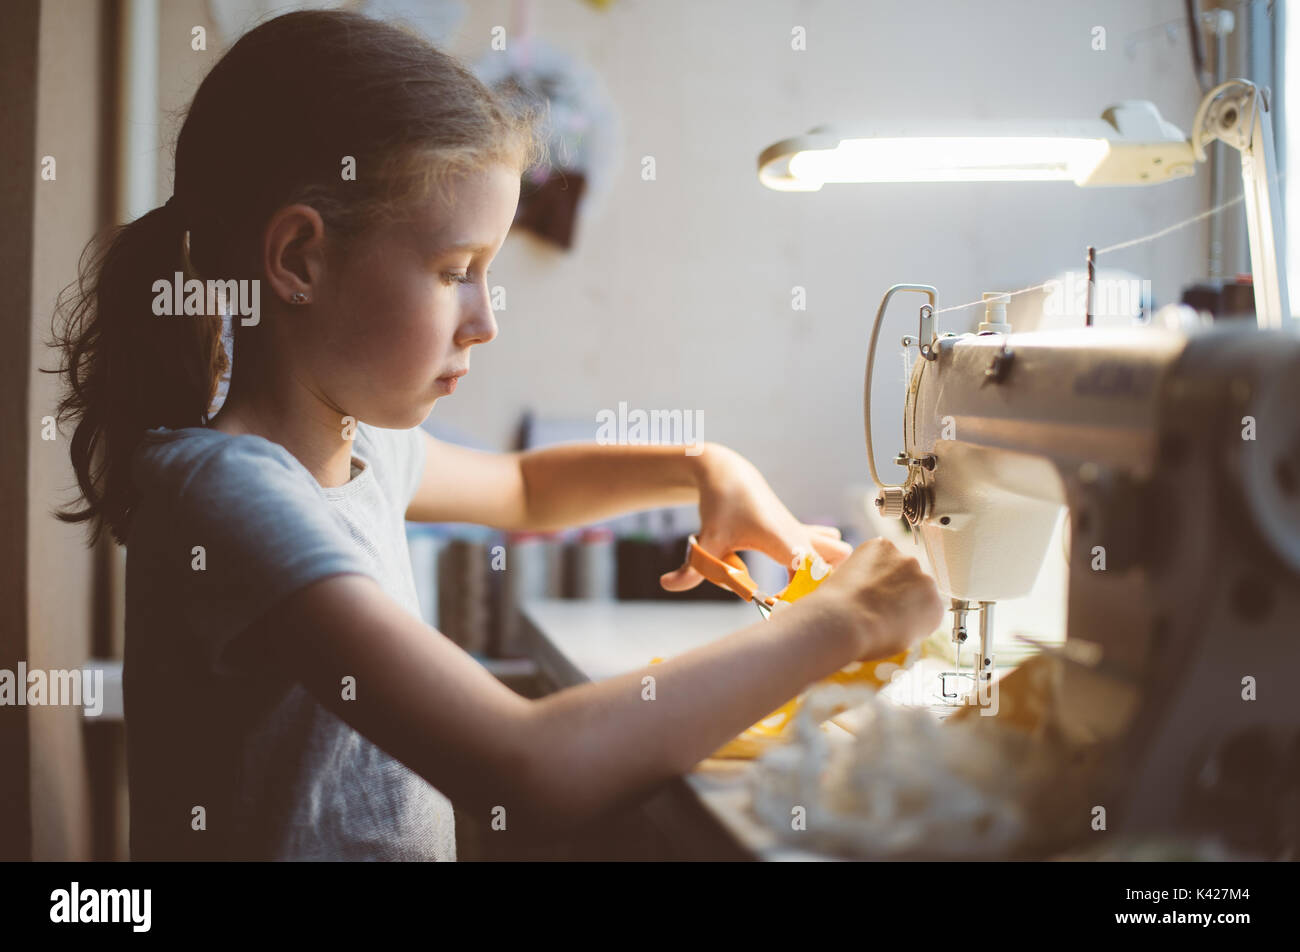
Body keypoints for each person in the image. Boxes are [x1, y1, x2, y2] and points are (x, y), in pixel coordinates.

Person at [50, 9, 943, 860]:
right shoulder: (229, 492)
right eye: (455, 272)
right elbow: (530, 771)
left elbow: (524, 489)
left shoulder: (356, 447)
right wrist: (846, 619)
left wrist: (705, 466)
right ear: (299, 260)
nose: (485, 321)